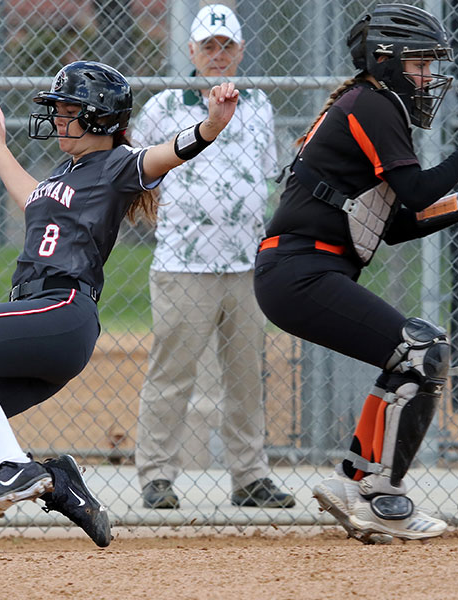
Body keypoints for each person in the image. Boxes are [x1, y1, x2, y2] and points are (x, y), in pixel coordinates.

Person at [0, 61, 239, 547]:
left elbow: (169, 154)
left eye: (69, 109)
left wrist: (212, 125)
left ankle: (14, 466)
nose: (58, 118)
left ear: (101, 119)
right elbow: (32, 198)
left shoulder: (117, 164)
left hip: (62, 308)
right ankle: (57, 482)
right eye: (58, 109)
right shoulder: (67, 171)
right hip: (40, 318)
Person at [253, 4, 458, 541]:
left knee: (410, 358)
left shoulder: (373, 105)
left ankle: (355, 483)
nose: (428, 77)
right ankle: (384, 498)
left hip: (299, 270)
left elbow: (397, 222)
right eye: (419, 64)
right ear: (384, 61)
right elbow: (413, 191)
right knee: (422, 351)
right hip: (299, 269)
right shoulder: (373, 103)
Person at [132, 3, 294, 511]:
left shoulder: (259, 105)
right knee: (172, 373)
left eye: (227, 46)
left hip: (246, 263)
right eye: (209, 46)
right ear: (191, 52)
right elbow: (135, 168)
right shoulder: (164, 106)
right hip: (184, 262)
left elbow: (272, 173)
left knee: (246, 376)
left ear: (241, 50)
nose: (218, 55)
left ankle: (250, 477)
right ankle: (157, 476)